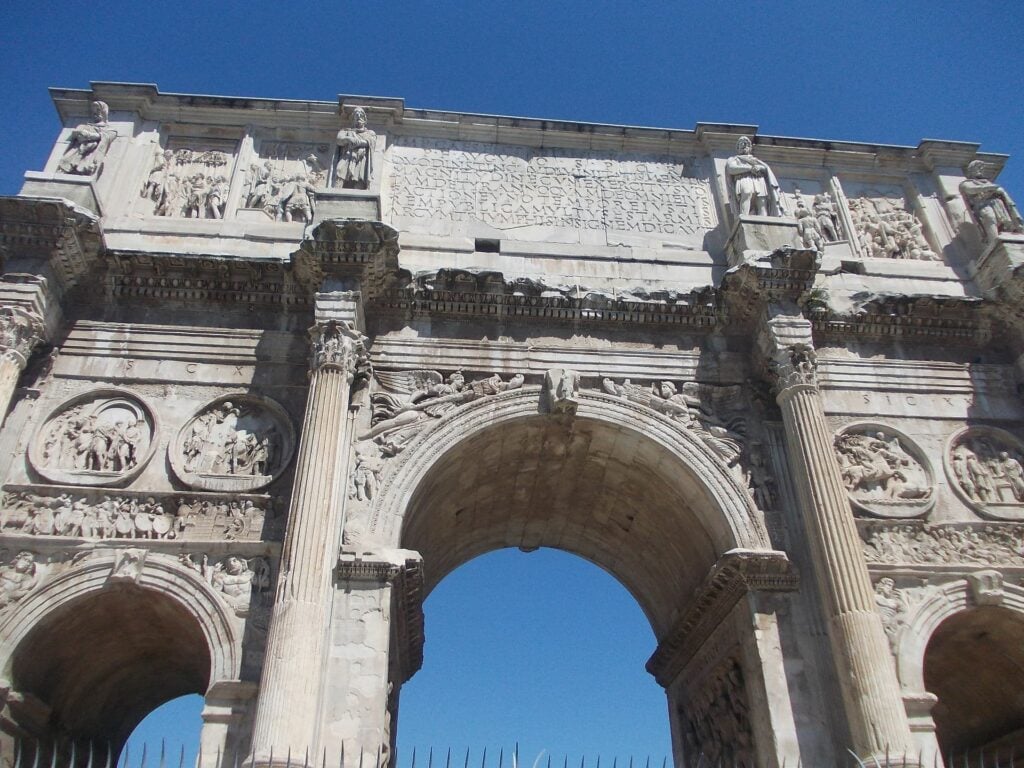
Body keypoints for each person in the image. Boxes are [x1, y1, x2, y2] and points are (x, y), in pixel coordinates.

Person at [960, 160, 1023, 242]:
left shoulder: (987, 182)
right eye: (978, 168)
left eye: (981, 169)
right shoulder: (966, 183)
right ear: (971, 171)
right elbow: (971, 190)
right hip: (982, 204)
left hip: (996, 203)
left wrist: (996, 189)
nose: (980, 170)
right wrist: (990, 188)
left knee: (1004, 221)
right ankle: (994, 241)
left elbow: (999, 190)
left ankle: (1006, 236)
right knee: (989, 217)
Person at [724, 136, 785, 217]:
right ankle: (744, 216)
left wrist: (760, 167)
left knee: (762, 201)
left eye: (746, 144)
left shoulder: (755, 160)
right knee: (746, 193)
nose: (744, 145)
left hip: (758, 179)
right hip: (743, 178)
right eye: (741, 143)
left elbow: (766, 168)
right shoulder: (734, 159)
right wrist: (750, 168)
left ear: (750, 147)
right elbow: (731, 169)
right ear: (738, 148)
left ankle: (764, 220)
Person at [57, 101, 114, 175]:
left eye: (98, 110)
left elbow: (106, 136)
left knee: (84, 168)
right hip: (76, 151)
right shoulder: (84, 126)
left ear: (104, 112)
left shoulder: (110, 130)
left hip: (89, 154)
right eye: (94, 111)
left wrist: (89, 135)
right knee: (65, 162)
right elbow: (75, 134)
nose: (96, 113)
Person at [334, 107, 376, 189]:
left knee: (360, 176)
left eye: (361, 115)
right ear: (353, 119)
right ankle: (336, 190)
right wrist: (348, 138)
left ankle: (360, 195)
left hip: (361, 157)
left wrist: (358, 142)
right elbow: (339, 139)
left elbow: (370, 142)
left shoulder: (370, 133)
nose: (359, 117)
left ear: (364, 118)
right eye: (356, 115)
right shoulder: (346, 131)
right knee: (340, 170)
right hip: (347, 156)